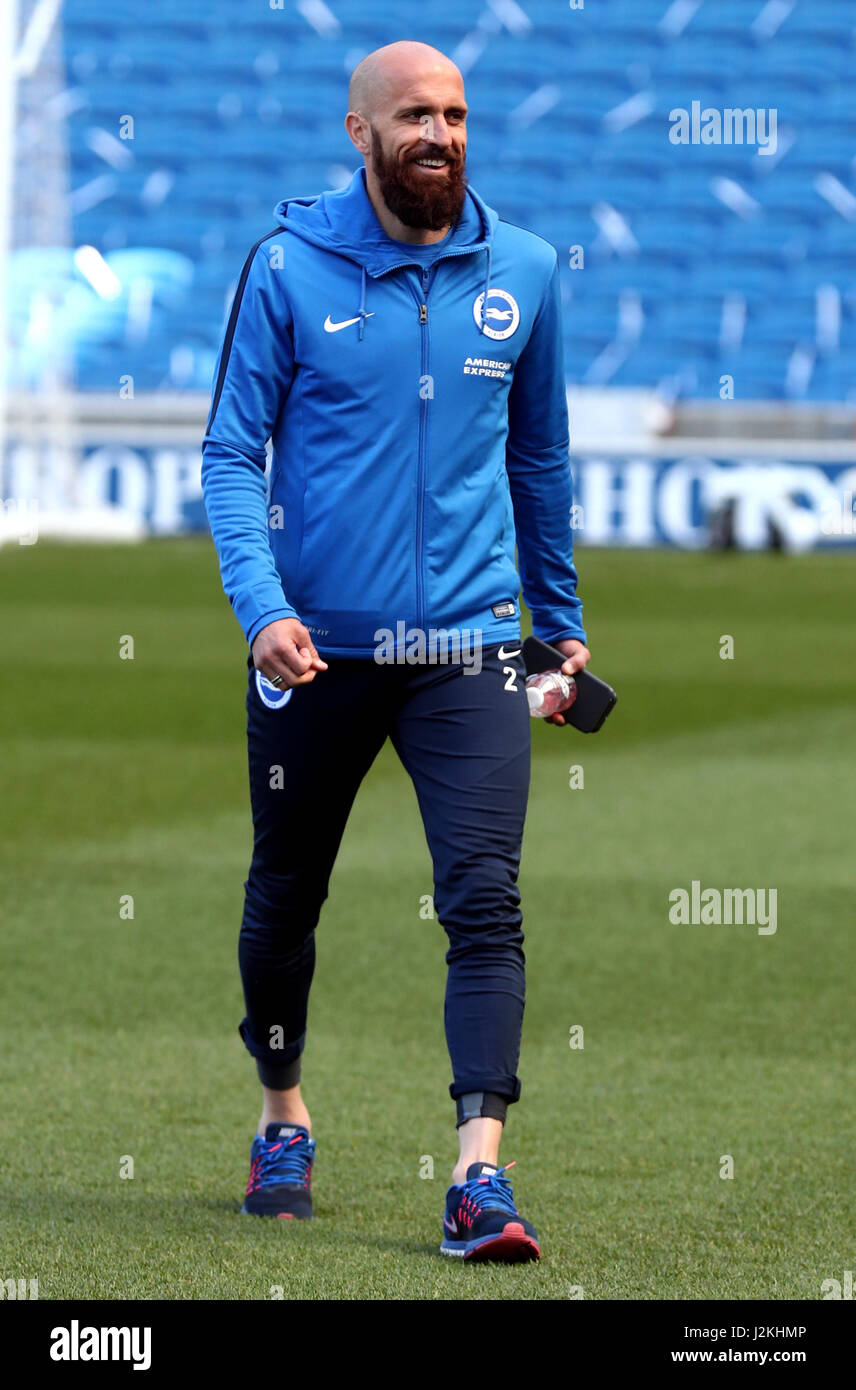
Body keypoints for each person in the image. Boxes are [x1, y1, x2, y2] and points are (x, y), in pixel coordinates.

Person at [201, 39, 590, 1262]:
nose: (442, 133)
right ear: (360, 133)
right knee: (285, 897)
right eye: (415, 115)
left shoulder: (523, 272)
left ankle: (479, 1176)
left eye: (457, 114)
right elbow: (228, 455)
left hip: (468, 647)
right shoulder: (284, 267)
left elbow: (538, 464)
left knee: (486, 901)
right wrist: (262, 609)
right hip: (314, 649)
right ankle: (282, 1116)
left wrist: (558, 622)